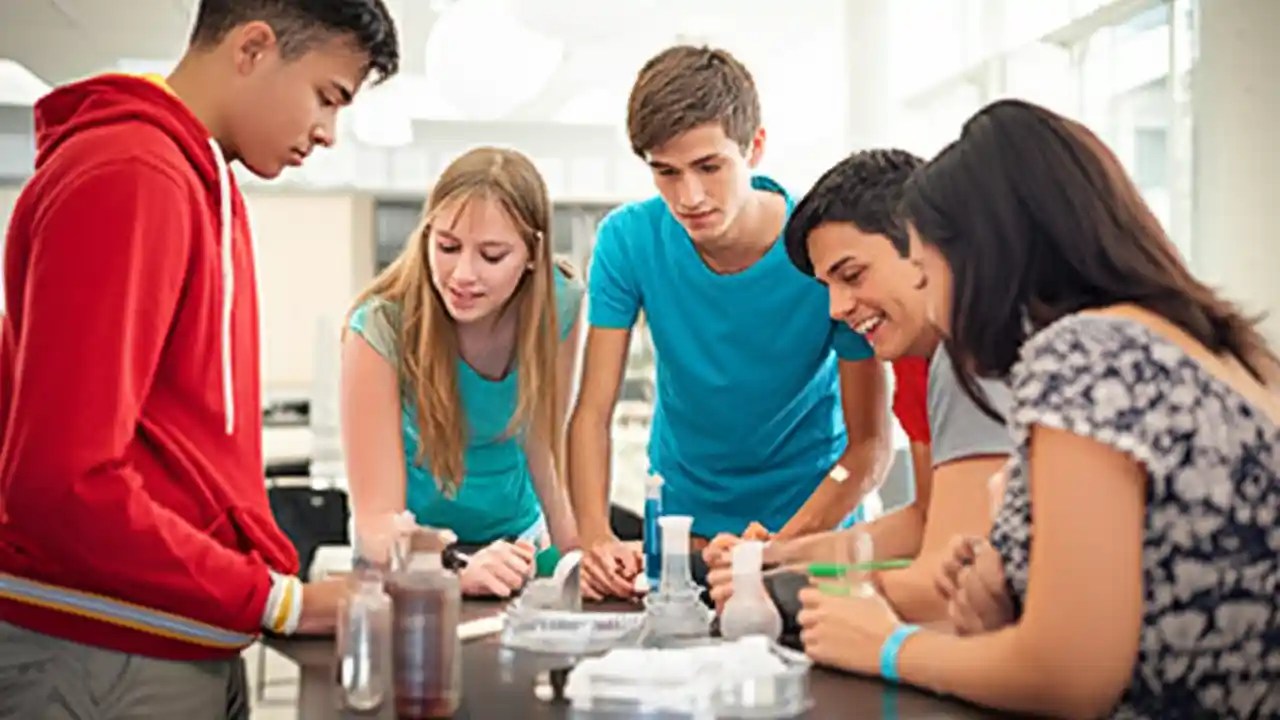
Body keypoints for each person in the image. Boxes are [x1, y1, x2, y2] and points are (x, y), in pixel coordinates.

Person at [796, 100, 1280, 719]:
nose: (932, 300)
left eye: (924, 268)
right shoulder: (1213, 349)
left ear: (982, 254)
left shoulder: (1084, 353)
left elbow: (1068, 678)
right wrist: (1008, 610)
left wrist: (886, 647)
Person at [0, 1, 398, 716]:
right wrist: (278, 598)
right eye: (326, 96)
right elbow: (64, 481)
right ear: (252, 48)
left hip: (164, 634)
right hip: (107, 649)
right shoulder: (131, 173)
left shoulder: (195, 178)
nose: (329, 133)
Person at [568, 45, 891, 601]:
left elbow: (868, 448)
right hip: (682, 536)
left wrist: (779, 549)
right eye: (665, 173)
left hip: (809, 534)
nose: (688, 196)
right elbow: (593, 412)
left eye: (709, 167)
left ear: (754, 148)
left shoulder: (821, 248)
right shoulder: (627, 240)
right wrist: (596, 537)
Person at [706, 149, 1015, 624]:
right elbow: (926, 516)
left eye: (851, 276)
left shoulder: (972, 355)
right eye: (828, 285)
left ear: (922, 248)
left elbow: (945, 579)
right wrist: (780, 556)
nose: (836, 308)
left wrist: (784, 591)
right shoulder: (917, 365)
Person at [341, 146, 583, 598]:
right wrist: (451, 570)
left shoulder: (561, 302)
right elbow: (377, 522)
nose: (462, 275)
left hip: (517, 549)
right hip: (412, 560)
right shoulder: (378, 328)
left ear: (533, 254)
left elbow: (546, 446)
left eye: (492, 255)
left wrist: (578, 557)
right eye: (447, 247)